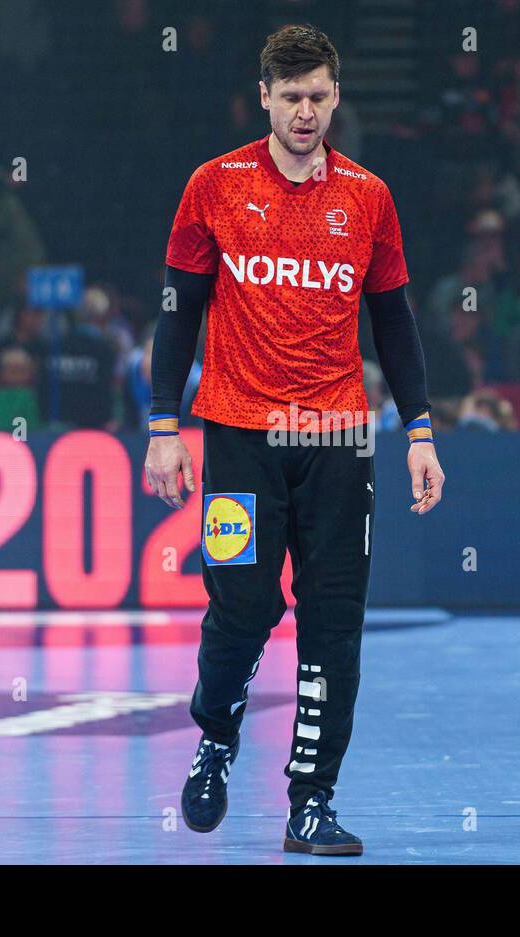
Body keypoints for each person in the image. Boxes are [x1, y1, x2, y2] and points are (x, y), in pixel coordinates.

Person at [149, 24, 443, 856]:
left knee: (335, 621)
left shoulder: (369, 198)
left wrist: (418, 430)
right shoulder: (214, 186)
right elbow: (178, 312)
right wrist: (163, 424)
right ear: (266, 99)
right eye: (292, 98)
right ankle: (215, 739)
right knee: (240, 604)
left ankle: (311, 803)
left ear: (337, 96)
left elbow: (394, 319)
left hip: (340, 439)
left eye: (320, 97)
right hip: (240, 433)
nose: (307, 112)